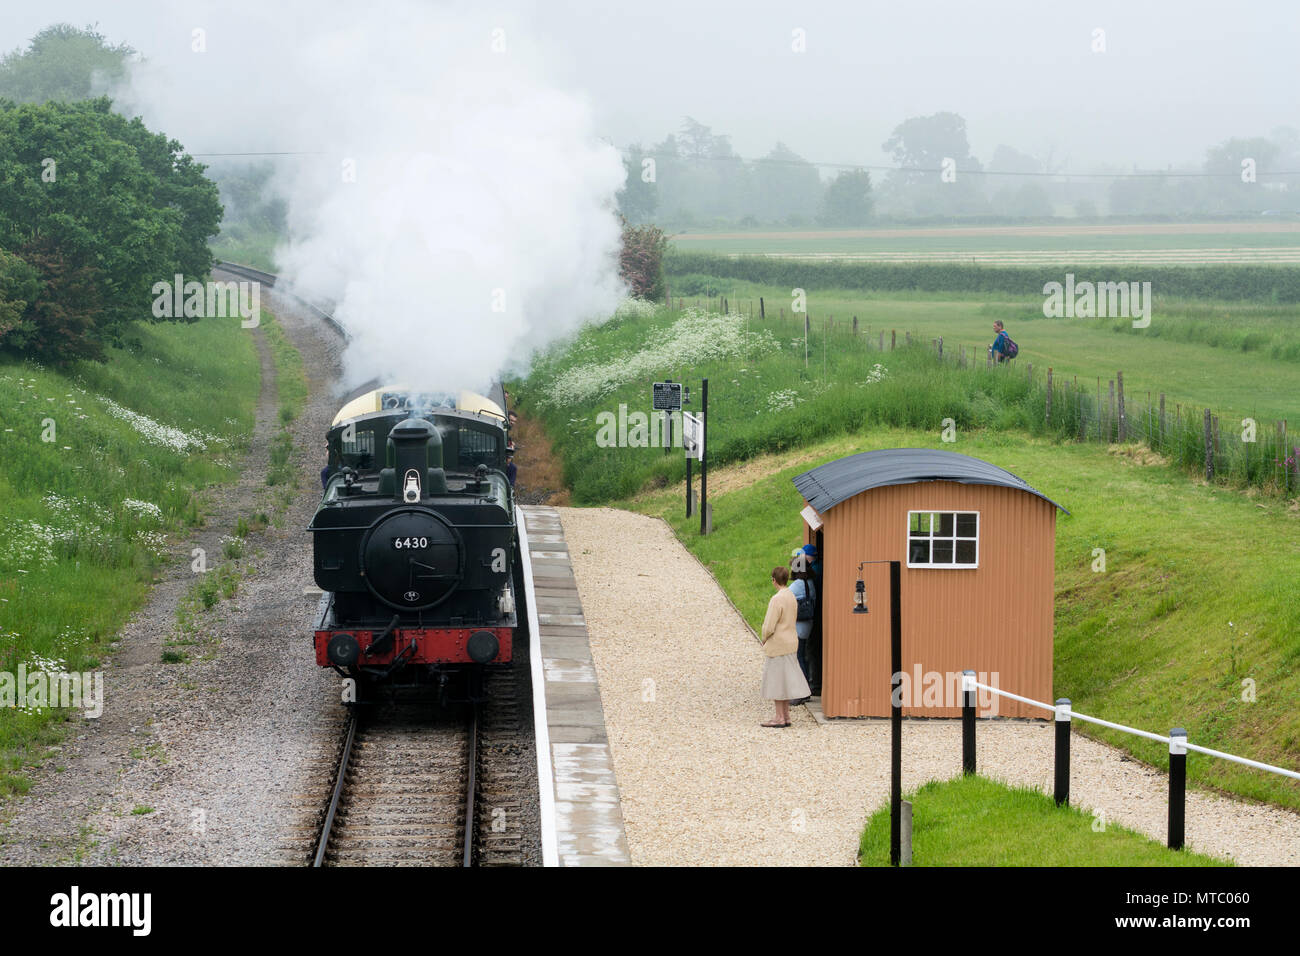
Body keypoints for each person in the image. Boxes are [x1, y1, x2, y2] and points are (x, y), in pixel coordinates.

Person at [759, 566, 810, 727]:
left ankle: (779, 717)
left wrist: (764, 637)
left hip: (778, 643)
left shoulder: (777, 599)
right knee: (786, 680)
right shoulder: (791, 596)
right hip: (791, 641)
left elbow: (769, 625)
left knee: (777, 682)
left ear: (773, 580)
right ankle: (786, 715)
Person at [789, 561, 816, 703]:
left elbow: (784, 596)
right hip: (807, 624)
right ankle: (804, 690)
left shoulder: (798, 584)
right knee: (802, 657)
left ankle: (802, 692)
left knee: (798, 658)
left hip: (799, 626)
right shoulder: (810, 582)